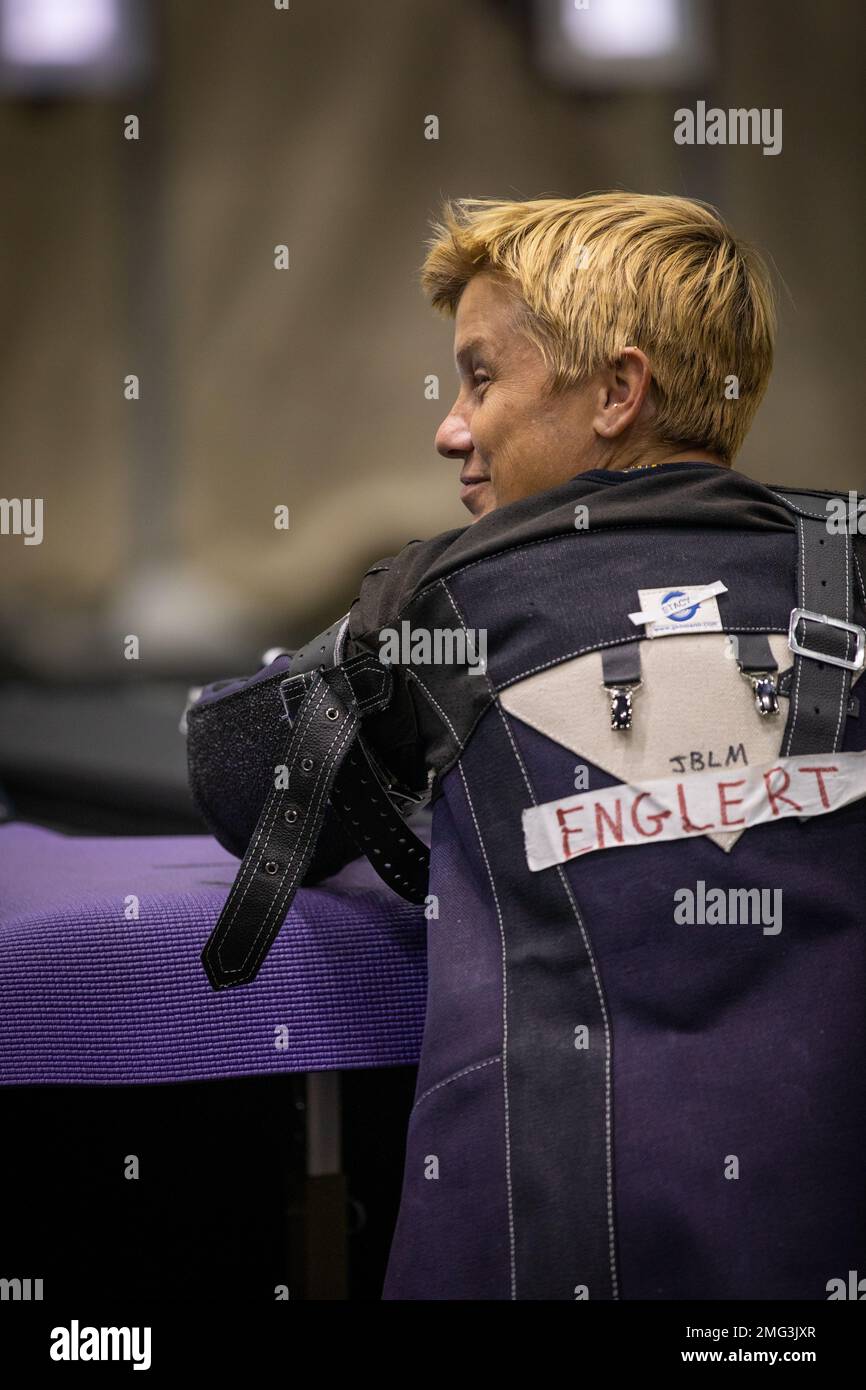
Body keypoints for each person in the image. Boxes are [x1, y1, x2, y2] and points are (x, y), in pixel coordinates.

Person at [191, 193, 866, 1300]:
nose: (449, 427)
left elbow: (223, 765)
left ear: (616, 392)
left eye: (478, 378)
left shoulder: (438, 606)